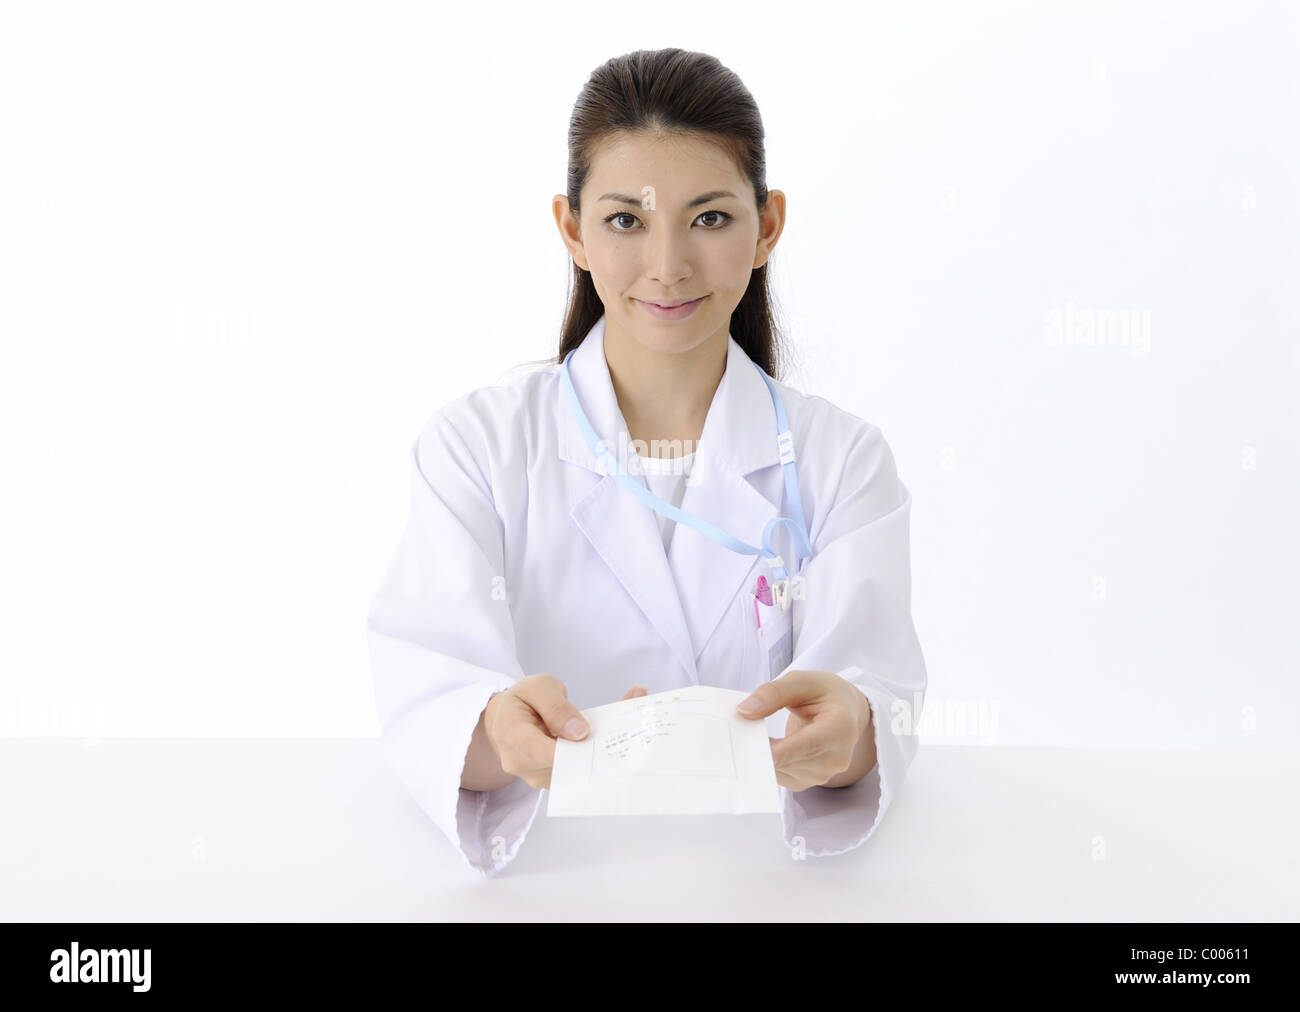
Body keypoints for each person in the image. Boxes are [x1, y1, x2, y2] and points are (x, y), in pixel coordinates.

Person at [366, 47, 927, 878]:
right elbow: (429, 705)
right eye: (627, 220)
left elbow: (873, 706)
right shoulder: (477, 448)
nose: (667, 266)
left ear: (767, 225)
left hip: (762, 890)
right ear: (573, 230)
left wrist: (850, 734)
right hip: (557, 880)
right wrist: (498, 734)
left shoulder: (841, 461)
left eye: (709, 218)